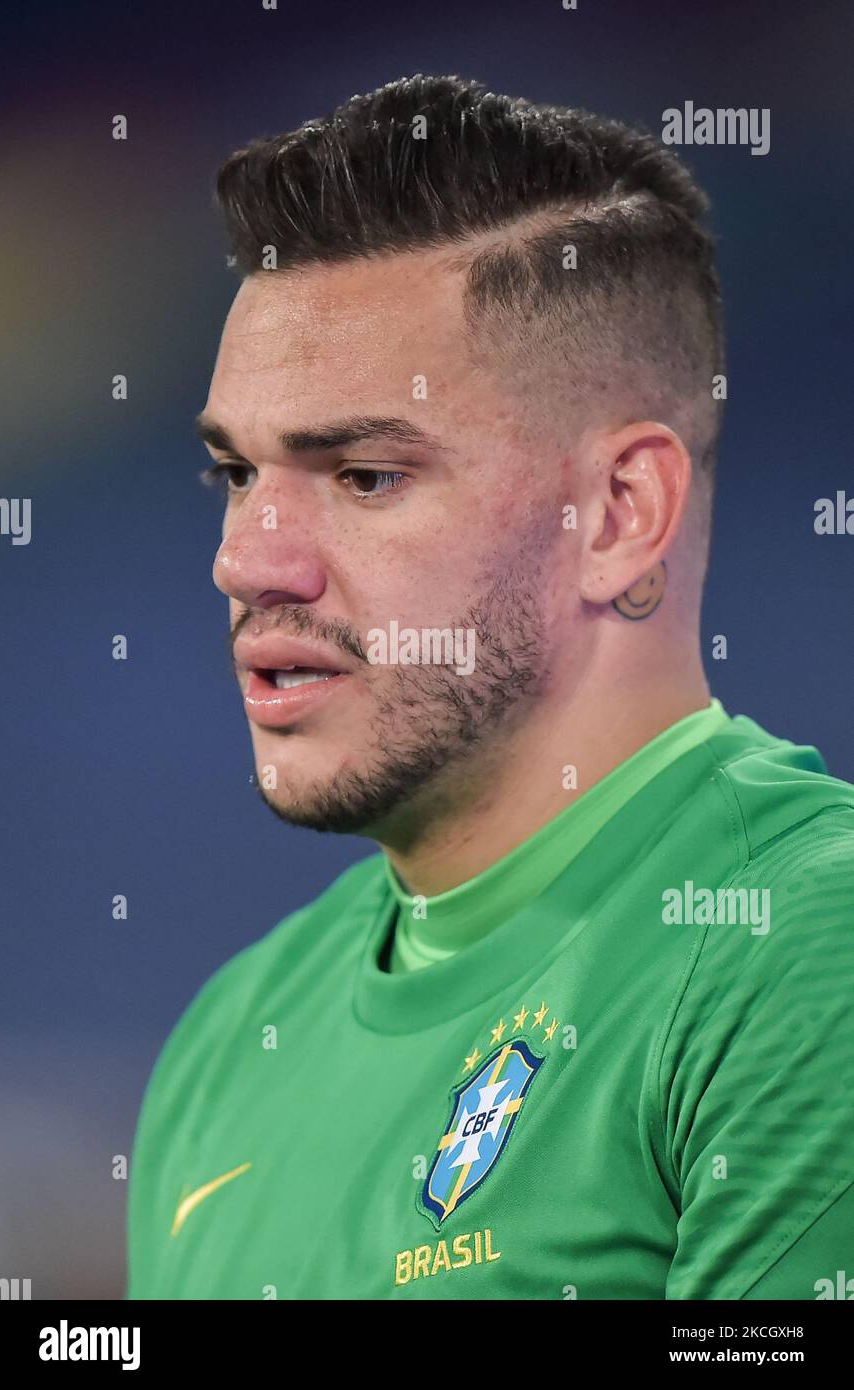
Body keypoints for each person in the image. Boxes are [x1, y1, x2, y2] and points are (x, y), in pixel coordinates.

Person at [127, 74, 854, 1300]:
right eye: (233, 473)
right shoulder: (224, 1040)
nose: (246, 560)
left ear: (621, 515)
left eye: (362, 475)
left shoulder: (794, 952)